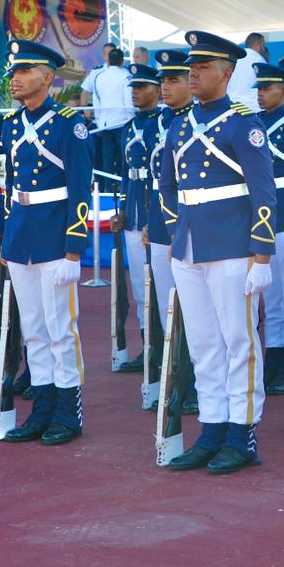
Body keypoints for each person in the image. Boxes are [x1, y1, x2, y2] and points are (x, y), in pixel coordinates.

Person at [159, 31, 276, 474]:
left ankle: (241, 433)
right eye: (192, 66)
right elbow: (167, 186)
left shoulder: (244, 123)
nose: (193, 73)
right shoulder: (179, 123)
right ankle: (211, 429)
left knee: (238, 342)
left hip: (232, 246)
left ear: (226, 73)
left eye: (203, 67)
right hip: (189, 246)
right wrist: (176, 232)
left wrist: (261, 254)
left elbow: (265, 191)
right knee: (205, 344)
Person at [0, 40, 93, 445]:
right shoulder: (11, 125)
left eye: (24, 71)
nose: (15, 79)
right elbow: (8, 185)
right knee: (33, 330)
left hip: (56, 236)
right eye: (13, 73)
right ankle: (40, 409)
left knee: (60, 329)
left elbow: (80, 187)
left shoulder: (69, 124)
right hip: (22, 235)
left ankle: (67, 413)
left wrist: (75, 246)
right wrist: (5, 235)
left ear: (48, 78)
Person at [145, 50, 196, 400]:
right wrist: (151, 220)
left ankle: (194, 384)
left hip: (193, 227)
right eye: (162, 80)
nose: (165, 87)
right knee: (166, 307)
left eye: (174, 80)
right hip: (162, 226)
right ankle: (174, 377)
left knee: (198, 313)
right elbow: (157, 181)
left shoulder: (200, 120)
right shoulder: (154, 123)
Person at [252, 63, 284, 396]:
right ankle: (272, 360)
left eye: (267, 88)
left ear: (283, 92)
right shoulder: (252, 123)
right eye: (258, 88)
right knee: (268, 299)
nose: (260, 93)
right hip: (262, 219)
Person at [113, 62, 166, 374]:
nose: (135, 92)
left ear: (157, 91)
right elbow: (123, 173)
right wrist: (121, 207)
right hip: (133, 205)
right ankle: (148, 346)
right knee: (138, 284)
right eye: (133, 87)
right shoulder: (128, 127)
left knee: (159, 282)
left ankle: (164, 347)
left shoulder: (162, 124)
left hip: (153, 205)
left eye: (142, 87)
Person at [90, 48, 134, 192]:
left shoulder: (99, 76)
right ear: (122, 61)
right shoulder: (126, 76)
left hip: (105, 123)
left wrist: (98, 120)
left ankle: (109, 188)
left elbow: (96, 101)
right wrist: (131, 119)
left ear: (108, 60)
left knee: (107, 159)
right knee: (124, 157)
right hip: (123, 122)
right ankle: (124, 188)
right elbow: (128, 101)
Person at [226, 32, 268, 112]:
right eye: (263, 45)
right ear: (259, 44)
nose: (263, 48)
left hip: (232, 106)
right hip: (253, 108)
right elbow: (265, 85)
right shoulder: (259, 60)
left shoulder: (235, 59)